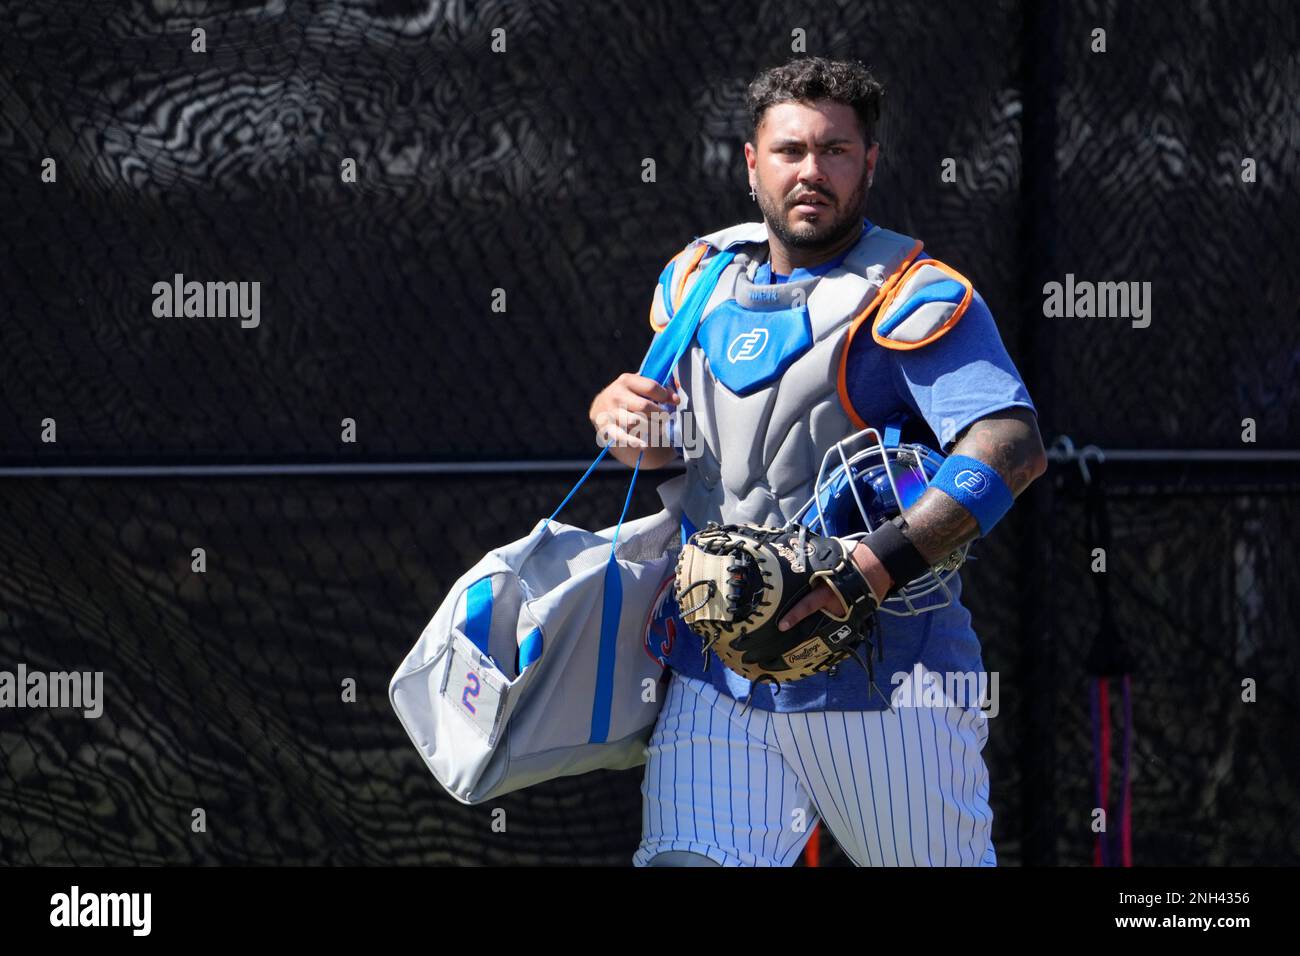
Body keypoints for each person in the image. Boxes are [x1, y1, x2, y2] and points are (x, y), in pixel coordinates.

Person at [588, 57, 1047, 867]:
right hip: (714, 672)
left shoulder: (914, 292)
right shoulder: (697, 284)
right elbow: (691, 455)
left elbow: (1009, 447)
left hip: (882, 678)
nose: (812, 170)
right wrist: (615, 418)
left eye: (836, 151)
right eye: (792, 149)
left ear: (870, 163)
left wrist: (870, 566)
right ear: (751, 162)